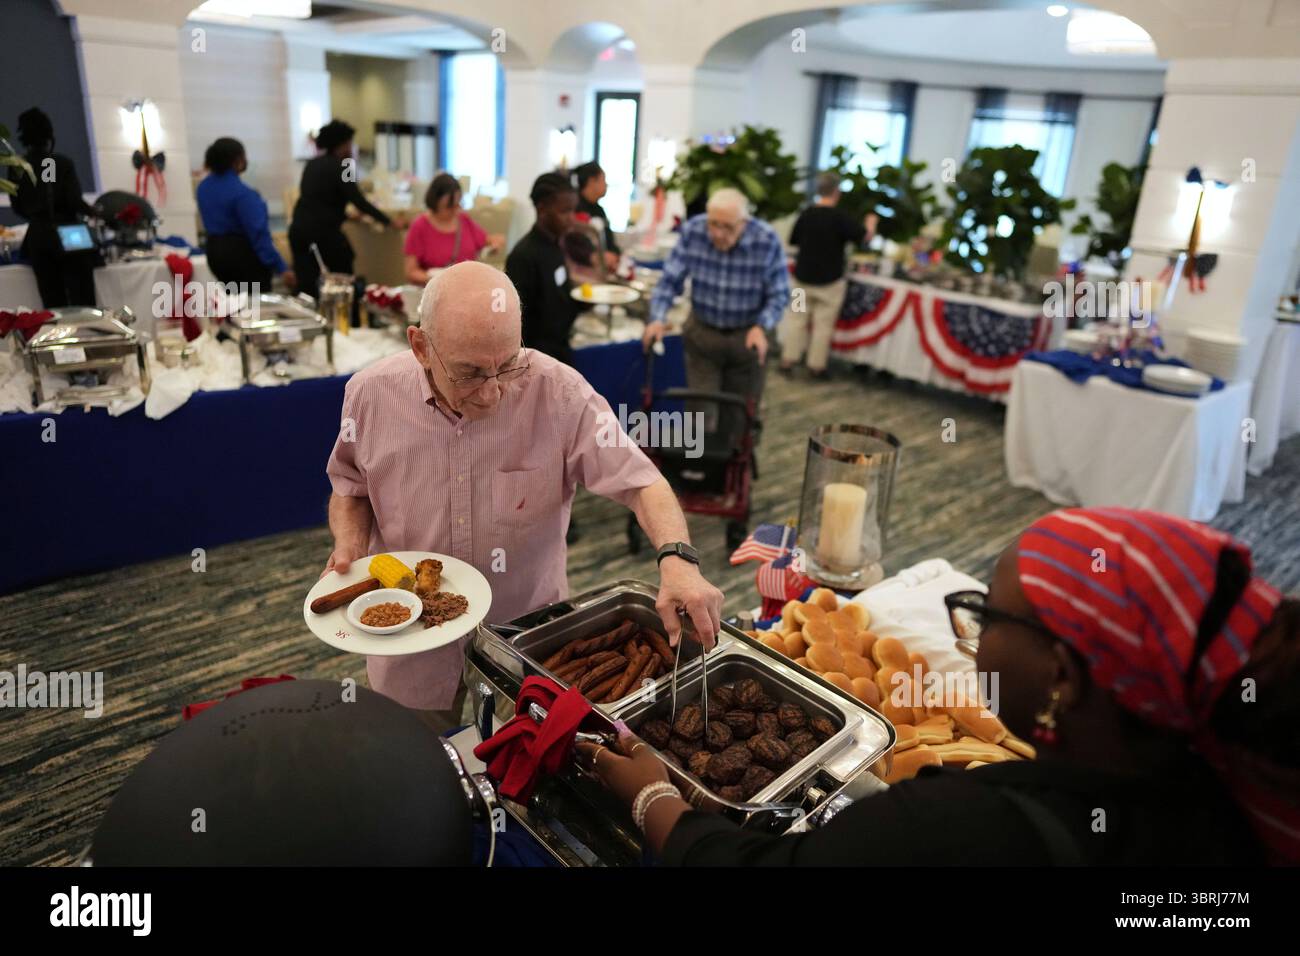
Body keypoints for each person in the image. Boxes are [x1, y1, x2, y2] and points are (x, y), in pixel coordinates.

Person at [579, 507, 1300, 865]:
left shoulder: (953, 830)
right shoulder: (1222, 807)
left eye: (989, 612)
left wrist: (650, 794)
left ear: (1061, 677)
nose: (974, 630)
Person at [323, 261, 724, 732]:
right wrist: (349, 546)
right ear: (420, 347)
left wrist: (677, 558)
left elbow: (642, 481)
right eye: (470, 373)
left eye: (507, 364)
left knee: (522, 778)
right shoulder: (370, 395)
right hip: (410, 639)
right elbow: (351, 487)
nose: (493, 393)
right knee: (417, 766)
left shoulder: (559, 393)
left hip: (527, 642)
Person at [642, 188, 790, 438]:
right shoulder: (693, 232)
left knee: (739, 414)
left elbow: (782, 294)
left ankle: (734, 472)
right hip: (703, 335)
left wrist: (762, 326)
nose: (718, 234)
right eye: (713, 224)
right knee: (699, 414)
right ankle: (697, 472)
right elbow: (669, 281)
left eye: (727, 227)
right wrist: (657, 318)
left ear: (744, 223)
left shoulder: (765, 239)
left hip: (747, 338)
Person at [288, 119, 400, 300]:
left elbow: (317, 199)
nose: (351, 147)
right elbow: (358, 200)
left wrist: (346, 215)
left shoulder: (312, 164)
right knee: (343, 279)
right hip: (323, 234)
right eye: (349, 143)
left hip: (298, 230)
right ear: (341, 144)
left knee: (307, 286)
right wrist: (389, 221)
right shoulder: (344, 166)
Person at [780, 171, 875, 378]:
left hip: (802, 279)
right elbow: (864, 238)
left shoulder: (806, 214)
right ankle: (816, 366)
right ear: (836, 192)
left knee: (796, 319)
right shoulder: (840, 218)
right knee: (823, 326)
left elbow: (793, 240)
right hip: (829, 283)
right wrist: (871, 223)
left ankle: (788, 360)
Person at [7, 107, 96, 308]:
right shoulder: (58, 163)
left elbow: (18, 206)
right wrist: (94, 212)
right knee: (83, 299)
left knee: (53, 302)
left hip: (38, 236)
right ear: (49, 135)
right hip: (69, 233)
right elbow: (72, 200)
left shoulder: (16, 166)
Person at [196, 137, 295, 292]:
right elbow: (259, 235)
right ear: (237, 160)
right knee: (254, 306)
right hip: (242, 257)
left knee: (230, 302)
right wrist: (281, 267)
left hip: (214, 253)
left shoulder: (203, 188)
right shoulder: (243, 194)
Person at [504, 172, 582, 366]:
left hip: (561, 349)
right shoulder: (523, 256)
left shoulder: (555, 245)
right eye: (565, 211)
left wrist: (582, 303)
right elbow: (518, 325)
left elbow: (559, 296)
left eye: (573, 210)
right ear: (542, 209)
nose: (571, 219)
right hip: (539, 360)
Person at [403, 173, 504, 285]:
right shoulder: (419, 226)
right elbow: (411, 272)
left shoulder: (463, 220)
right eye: (449, 206)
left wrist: (495, 244)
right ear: (435, 203)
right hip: (434, 291)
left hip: (466, 287)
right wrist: (436, 280)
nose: (455, 210)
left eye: (458, 204)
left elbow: (489, 239)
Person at [573, 161, 620, 272]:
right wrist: (597, 257)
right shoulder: (574, 208)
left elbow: (610, 241)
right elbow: (575, 246)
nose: (606, 185)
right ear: (592, 181)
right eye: (603, 180)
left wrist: (615, 255)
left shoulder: (599, 210)